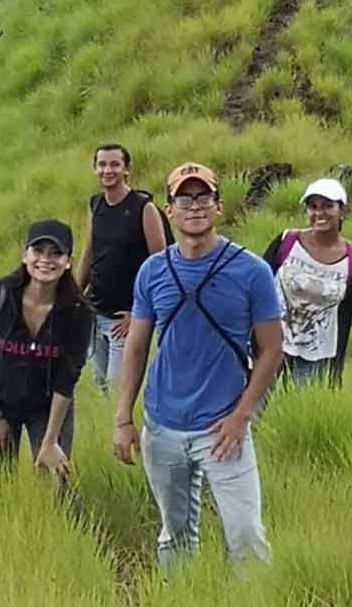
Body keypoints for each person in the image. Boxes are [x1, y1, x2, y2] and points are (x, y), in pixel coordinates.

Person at [113, 162, 283, 569]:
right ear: (168, 210)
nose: (194, 206)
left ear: (218, 206)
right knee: (174, 534)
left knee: (245, 536)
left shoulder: (252, 272)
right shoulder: (152, 272)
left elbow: (272, 350)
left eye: (203, 196)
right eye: (183, 198)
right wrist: (123, 417)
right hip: (162, 425)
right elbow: (136, 348)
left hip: (223, 428)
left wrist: (242, 416)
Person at [0, 220, 93, 483]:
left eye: (56, 253)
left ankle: (65, 522)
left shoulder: (78, 312)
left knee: (56, 480)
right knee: (0, 482)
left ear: (68, 261)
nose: (45, 260)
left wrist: (49, 441)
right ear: (25, 256)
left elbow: (66, 379)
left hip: (48, 407)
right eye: (38, 251)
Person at [77, 143, 167, 394]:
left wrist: (138, 314)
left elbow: (159, 265)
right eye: (102, 164)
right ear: (95, 169)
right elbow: (89, 253)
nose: (108, 170)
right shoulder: (95, 205)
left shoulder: (143, 208)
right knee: (98, 387)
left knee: (119, 392)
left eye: (115, 164)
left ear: (126, 169)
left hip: (126, 319)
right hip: (95, 314)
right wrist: (72, 297)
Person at [263, 177, 352, 386]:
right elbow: (257, 288)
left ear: (343, 211)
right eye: (313, 206)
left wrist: (336, 370)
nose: (319, 213)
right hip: (270, 345)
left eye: (328, 206)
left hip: (316, 357)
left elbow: (344, 315)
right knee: (251, 413)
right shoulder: (287, 242)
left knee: (298, 416)